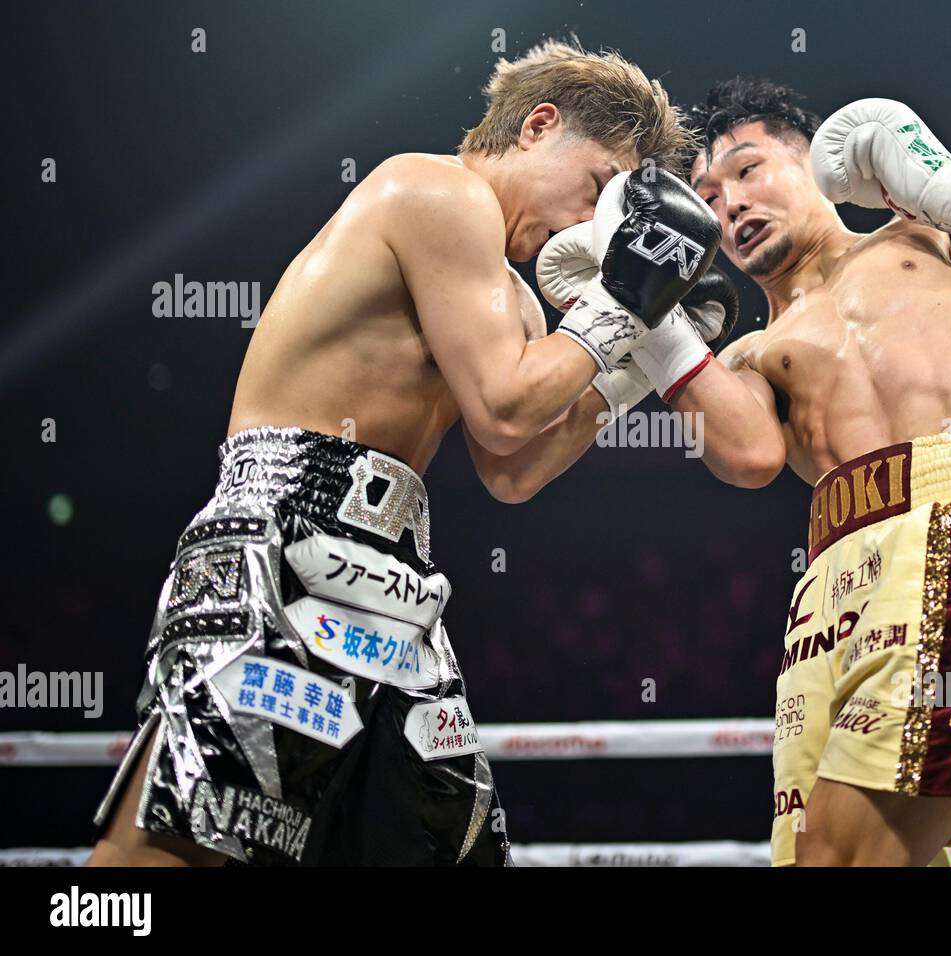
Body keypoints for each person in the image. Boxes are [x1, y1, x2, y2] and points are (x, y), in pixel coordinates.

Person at [86, 39, 717, 867]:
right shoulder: (433, 190)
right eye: (597, 186)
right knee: (189, 841)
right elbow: (504, 406)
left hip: (394, 584)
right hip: (288, 537)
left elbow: (513, 467)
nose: (589, 225)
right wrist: (625, 299)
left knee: (439, 851)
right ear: (538, 125)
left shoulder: (516, 302)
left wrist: (625, 373)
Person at [668, 77, 951, 866]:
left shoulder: (931, 233)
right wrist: (650, 321)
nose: (731, 203)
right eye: (707, 198)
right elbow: (748, 459)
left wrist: (940, 185)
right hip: (827, 600)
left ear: (811, 158)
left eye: (747, 170)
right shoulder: (747, 356)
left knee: (845, 858)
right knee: (818, 857)